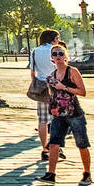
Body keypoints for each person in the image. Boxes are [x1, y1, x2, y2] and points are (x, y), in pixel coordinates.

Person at [38, 43, 91, 185]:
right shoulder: (51, 76)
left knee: (81, 144)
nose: (58, 56)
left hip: (75, 114)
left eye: (61, 53)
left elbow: (82, 92)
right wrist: (52, 108)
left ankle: (87, 173)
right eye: (55, 54)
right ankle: (51, 174)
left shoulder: (72, 71)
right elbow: (52, 96)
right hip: (59, 115)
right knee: (54, 143)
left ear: (65, 55)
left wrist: (65, 87)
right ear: (52, 58)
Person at [30, 29, 59, 160]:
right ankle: (55, 147)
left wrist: (36, 84)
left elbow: (32, 72)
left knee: (42, 120)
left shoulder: (35, 51)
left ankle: (44, 149)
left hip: (42, 86)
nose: (58, 40)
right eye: (57, 38)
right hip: (56, 85)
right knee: (57, 119)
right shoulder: (55, 50)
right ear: (52, 39)